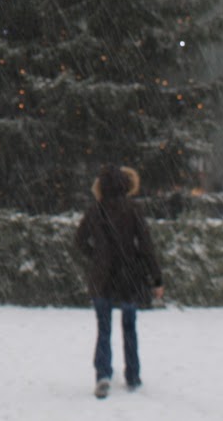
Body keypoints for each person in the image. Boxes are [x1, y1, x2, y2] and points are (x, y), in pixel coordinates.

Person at [74, 165, 163, 399]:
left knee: (103, 327)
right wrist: (156, 278)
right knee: (129, 327)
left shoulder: (95, 210)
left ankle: (103, 374)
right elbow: (146, 245)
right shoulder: (133, 210)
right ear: (127, 185)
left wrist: (97, 255)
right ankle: (132, 375)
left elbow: (79, 241)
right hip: (129, 276)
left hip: (101, 276)